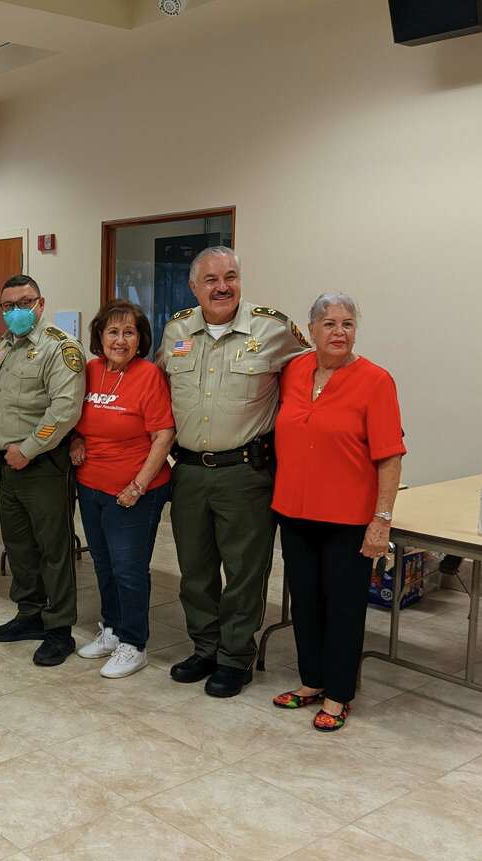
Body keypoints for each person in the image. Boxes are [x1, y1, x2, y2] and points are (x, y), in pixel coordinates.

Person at [157, 246, 309, 697]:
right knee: (195, 570)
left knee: (244, 571)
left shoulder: (273, 329)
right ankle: (205, 648)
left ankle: (235, 656)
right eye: (211, 280)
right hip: (188, 472)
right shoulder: (176, 329)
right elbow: (156, 387)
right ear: (193, 287)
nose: (222, 287)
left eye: (230, 277)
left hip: (245, 472)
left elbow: (313, 380)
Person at [270, 293, 405, 731]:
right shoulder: (294, 371)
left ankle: (339, 694)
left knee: (343, 607)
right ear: (311, 330)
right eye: (329, 324)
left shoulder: (376, 381)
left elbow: (390, 457)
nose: (339, 332)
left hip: (348, 519)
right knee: (305, 601)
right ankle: (312, 681)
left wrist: (381, 520)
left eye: (347, 324)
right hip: (294, 511)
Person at [0, 274, 87, 667]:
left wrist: (29, 448)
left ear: (40, 303)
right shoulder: (3, 346)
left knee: (53, 550)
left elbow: (65, 410)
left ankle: (59, 629)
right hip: (6, 466)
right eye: (8, 306)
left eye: (24, 303)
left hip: (42, 466)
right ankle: (30, 614)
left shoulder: (60, 347)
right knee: (19, 546)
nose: (16, 311)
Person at [70, 301, 175, 678]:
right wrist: (76, 440)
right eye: (112, 332)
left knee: (129, 569)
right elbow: (77, 420)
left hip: (134, 491)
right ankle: (112, 629)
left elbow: (164, 435)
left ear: (140, 338)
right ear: (99, 336)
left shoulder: (149, 376)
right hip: (91, 486)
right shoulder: (90, 371)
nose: (120, 340)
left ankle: (134, 643)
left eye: (129, 332)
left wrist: (138, 485)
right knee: (103, 563)